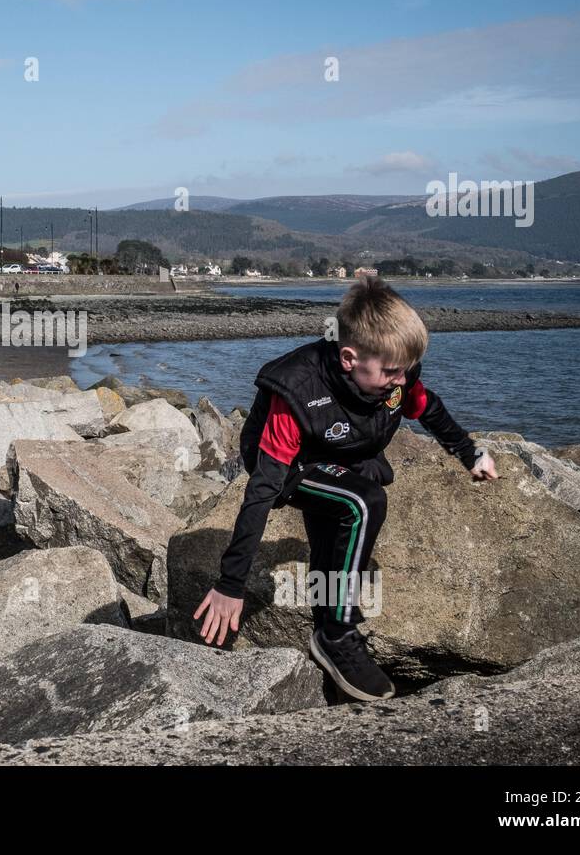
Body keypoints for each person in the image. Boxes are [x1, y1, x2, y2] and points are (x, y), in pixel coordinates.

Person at [193, 275, 498, 702]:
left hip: (345, 453)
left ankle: (327, 628)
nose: (400, 379)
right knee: (364, 502)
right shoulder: (299, 389)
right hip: (290, 465)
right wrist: (230, 584)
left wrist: (471, 454)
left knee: (341, 517)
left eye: (405, 371)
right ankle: (336, 633)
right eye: (391, 372)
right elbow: (262, 489)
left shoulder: (396, 375)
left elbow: (428, 410)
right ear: (350, 358)